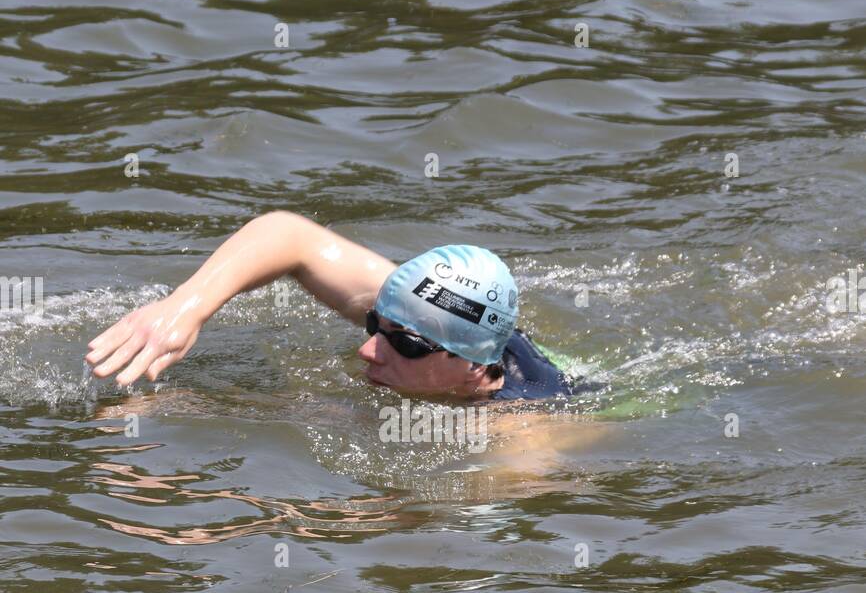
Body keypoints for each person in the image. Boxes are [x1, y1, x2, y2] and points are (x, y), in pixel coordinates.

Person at [86, 210, 596, 406]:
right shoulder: (426, 312)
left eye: (404, 344)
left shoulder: (523, 431)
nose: (369, 349)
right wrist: (185, 306)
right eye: (377, 324)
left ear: (471, 368)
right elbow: (292, 236)